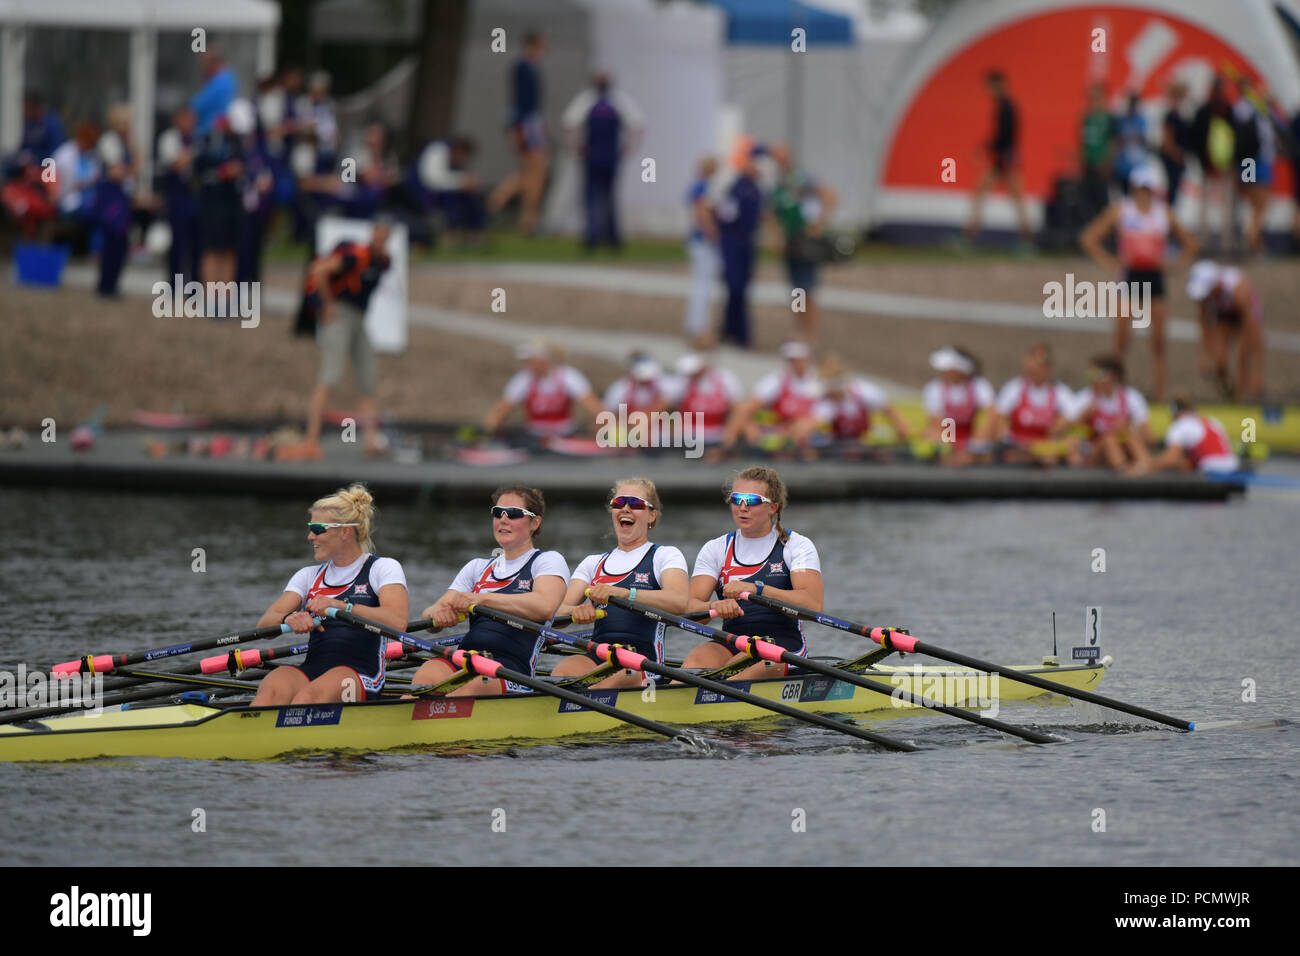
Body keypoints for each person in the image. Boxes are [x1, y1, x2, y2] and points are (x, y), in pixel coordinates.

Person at [251, 484, 409, 706]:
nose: (310, 536)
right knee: (272, 688)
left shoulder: (382, 568)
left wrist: (342, 607)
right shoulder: (308, 576)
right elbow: (264, 626)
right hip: (313, 671)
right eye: (310, 528)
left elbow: (398, 622)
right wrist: (289, 618)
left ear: (345, 532)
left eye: (317, 529)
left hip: (361, 676)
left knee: (308, 697)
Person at [408, 487, 568, 695]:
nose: (503, 519)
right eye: (498, 513)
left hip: (509, 671)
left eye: (513, 513)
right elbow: (429, 614)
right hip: (465, 660)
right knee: (427, 674)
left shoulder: (547, 561)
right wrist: (437, 615)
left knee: (472, 687)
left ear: (534, 523)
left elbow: (544, 607)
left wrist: (481, 600)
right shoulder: (477, 567)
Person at [682, 467, 823, 681]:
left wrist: (758, 590)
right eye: (736, 499)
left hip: (782, 645)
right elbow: (690, 609)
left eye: (752, 501)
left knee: (736, 671)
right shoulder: (715, 548)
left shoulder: (797, 546)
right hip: (732, 641)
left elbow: (812, 605)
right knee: (693, 664)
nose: (742, 507)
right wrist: (713, 606)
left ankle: (719, 693)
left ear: (773, 507)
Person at [551, 479, 689, 688]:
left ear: (651, 515)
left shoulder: (665, 556)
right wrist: (575, 611)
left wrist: (625, 594)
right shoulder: (592, 563)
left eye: (635, 503)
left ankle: (584, 700)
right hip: (599, 656)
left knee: (620, 674)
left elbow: (679, 602)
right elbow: (556, 612)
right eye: (619, 503)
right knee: (562, 671)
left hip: (642, 664)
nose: (625, 508)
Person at [1079, 164, 1197, 400]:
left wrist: (1174, 265)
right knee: (1122, 341)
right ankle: (1116, 392)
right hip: (1130, 276)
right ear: (1133, 188)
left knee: (1159, 342)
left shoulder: (1163, 213)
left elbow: (1190, 244)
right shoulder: (1122, 210)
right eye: (1140, 188)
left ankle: (1160, 394)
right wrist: (1111, 262)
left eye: (1147, 188)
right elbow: (1089, 238)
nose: (1143, 193)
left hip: (1154, 277)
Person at [302, 218, 393, 459]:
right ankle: (311, 439)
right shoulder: (357, 255)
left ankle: (370, 441)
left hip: (359, 319)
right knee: (329, 374)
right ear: (374, 232)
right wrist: (327, 304)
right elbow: (319, 270)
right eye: (380, 230)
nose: (382, 236)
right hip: (341, 313)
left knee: (368, 376)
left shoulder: (383, 261)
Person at [561, 72, 645, 251]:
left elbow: (569, 124)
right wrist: (628, 148)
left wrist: (576, 148)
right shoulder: (618, 101)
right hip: (607, 155)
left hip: (595, 155)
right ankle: (610, 238)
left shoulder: (587, 100)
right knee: (608, 196)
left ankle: (594, 237)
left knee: (594, 196)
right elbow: (638, 125)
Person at [767, 142, 837, 342]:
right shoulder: (778, 184)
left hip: (804, 240)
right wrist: (775, 236)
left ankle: (809, 332)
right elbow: (773, 214)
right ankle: (800, 328)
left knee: (807, 287)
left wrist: (819, 223)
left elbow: (829, 196)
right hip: (790, 241)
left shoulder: (802, 179)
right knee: (797, 289)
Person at [487, 30, 549, 235]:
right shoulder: (522, 67)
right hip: (527, 124)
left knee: (534, 172)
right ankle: (501, 199)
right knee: (533, 171)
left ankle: (527, 217)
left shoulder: (531, 67)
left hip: (532, 123)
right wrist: (517, 128)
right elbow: (519, 101)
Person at [485, 340, 602, 440]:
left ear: (544, 359)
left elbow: (596, 409)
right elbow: (500, 411)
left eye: (531, 360)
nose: (528, 365)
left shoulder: (569, 376)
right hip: (534, 436)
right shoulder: (523, 379)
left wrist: (596, 431)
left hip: (564, 435)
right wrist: (488, 432)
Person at [720, 340, 822, 455]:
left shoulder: (818, 380)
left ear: (807, 359)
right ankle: (727, 446)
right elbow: (749, 405)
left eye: (797, 359)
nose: (794, 363)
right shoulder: (777, 380)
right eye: (791, 360)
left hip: (809, 435)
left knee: (804, 427)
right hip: (780, 434)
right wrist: (747, 425)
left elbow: (819, 418)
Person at [966, 70, 1031, 246]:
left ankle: (970, 235)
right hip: (1006, 159)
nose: (988, 91)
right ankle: (971, 233)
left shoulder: (1005, 107)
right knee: (1012, 199)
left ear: (996, 85)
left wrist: (984, 149)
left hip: (1005, 160)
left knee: (1012, 199)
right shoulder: (1005, 105)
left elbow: (1004, 136)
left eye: (989, 87)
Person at [1185, 260, 1266, 401]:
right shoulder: (1206, 297)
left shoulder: (1238, 290)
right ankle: (1228, 391)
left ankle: (1242, 395)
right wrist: (1205, 355)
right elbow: (1204, 324)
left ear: (1216, 285)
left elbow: (1254, 334)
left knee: (1243, 354)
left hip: (1246, 314)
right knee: (1219, 359)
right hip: (1225, 314)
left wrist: (1257, 373)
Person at [992, 343, 1080, 467]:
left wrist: (1054, 432)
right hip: (1017, 445)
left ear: (1048, 369)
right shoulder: (1014, 388)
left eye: (1039, 366)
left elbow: (1072, 416)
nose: (1034, 370)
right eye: (1031, 366)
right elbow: (999, 420)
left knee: (1071, 450)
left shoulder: (1060, 392)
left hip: (1045, 445)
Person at [194, 104, 248, 293]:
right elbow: (199, 167)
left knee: (229, 250)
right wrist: (222, 172)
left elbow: (245, 165)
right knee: (212, 249)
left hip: (232, 202)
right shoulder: (208, 140)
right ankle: (210, 295)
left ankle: (225, 296)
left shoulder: (237, 142)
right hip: (213, 203)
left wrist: (238, 170)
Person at [1067, 355, 1151, 472]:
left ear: (1114, 376)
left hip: (1124, 449)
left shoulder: (1132, 397)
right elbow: (1064, 431)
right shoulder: (1086, 397)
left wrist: (1129, 428)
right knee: (1109, 440)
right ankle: (1124, 470)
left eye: (1098, 375)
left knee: (1130, 437)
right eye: (1091, 375)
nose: (1094, 380)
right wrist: (1083, 417)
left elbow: (1148, 438)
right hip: (1094, 453)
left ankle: (1143, 467)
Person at [715, 146, 763, 347]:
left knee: (742, 289)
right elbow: (724, 214)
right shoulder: (734, 187)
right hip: (733, 242)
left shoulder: (756, 189)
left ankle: (734, 330)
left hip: (747, 243)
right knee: (734, 286)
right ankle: (736, 330)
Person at [812, 357, 910, 454]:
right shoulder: (827, 403)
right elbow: (812, 424)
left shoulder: (865, 391)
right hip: (841, 449)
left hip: (865, 444)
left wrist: (902, 431)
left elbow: (890, 412)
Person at [921, 346, 996, 467]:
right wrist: (954, 450)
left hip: (972, 441)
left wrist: (973, 445)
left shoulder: (980, 386)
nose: (943, 372)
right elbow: (938, 425)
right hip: (946, 440)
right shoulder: (934, 388)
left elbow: (990, 418)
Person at [1128, 395, 1238, 476]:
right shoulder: (1212, 421)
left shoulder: (1180, 425)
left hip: (1212, 471)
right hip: (1232, 466)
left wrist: (1145, 467)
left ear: (1174, 414)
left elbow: (1170, 460)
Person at [93, 104, 139, 298]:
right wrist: (131, 169)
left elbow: (133, 168)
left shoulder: (124, 143)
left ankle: (112, 283)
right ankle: (106, 284)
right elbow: (116, 172)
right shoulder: (109, 141)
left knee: (121, 242)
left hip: (121, 196)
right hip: (110, 196)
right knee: (111, 240)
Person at [157, 106, 200, 290]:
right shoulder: (170, 139)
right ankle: (174, 283)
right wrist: (191, 154)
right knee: (177, 242)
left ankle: (195, 285)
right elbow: (175, 164)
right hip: (177, 195)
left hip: (195, 194)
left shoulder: (197, 138)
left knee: (196, 242)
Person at [684, 157, 721, 346]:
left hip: (700, 241)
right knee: (703, 285)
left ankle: (698, 325)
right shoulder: (704, 188)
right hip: (703, 242)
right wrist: (714, 235)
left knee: (703, 285)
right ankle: (697, 326)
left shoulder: (699, 187)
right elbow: (702, 215)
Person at [670, 351, 742, 448]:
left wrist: (728, 438)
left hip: (716, 439)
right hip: (685, 439)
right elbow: (665, 405)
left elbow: (738, 409)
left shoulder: (725, 378)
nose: (692, 375)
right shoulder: (683, 380)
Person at [1079, 82, 1115, 216]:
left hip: (1102, 166)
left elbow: (1113, 142)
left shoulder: (1108, 118)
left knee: (1103, 199)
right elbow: (1083, 141)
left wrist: (1107, 162)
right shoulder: (1086, 118)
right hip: (1088, 163)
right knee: (1087, 199)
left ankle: (1106, 226)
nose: (1094, 101)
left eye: (1097, 97)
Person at [1159, 81, 1192, 209]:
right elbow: (1167, 142)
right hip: (1172, 159)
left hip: (1178, 158)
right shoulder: (1171, 116)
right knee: (1171, 190)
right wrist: (1177, 154)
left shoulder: (1182, 115)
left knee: (1175, 191)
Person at [603, 353, 671, 416]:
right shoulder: (619, 389)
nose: (646, 382)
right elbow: (608, 413)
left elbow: (666, 402)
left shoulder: (663, 384)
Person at [191, 48, 238, 137]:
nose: (202, 69)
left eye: (204, 64)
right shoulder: (219, 79)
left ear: (213, 63)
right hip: (210, 133)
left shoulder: (222, 81)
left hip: (213, 135)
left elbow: (197, 106)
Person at [1112, 92, 1151, 195]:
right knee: (1124, 194)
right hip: (1123, 165)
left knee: (1138, 193)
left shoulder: (1142, 121)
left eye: (1135, 104)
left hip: (1138, 165)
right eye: (1131, 104)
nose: (1132, 107)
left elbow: (1144, 140)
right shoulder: (1121, 121)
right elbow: (1117, 141)